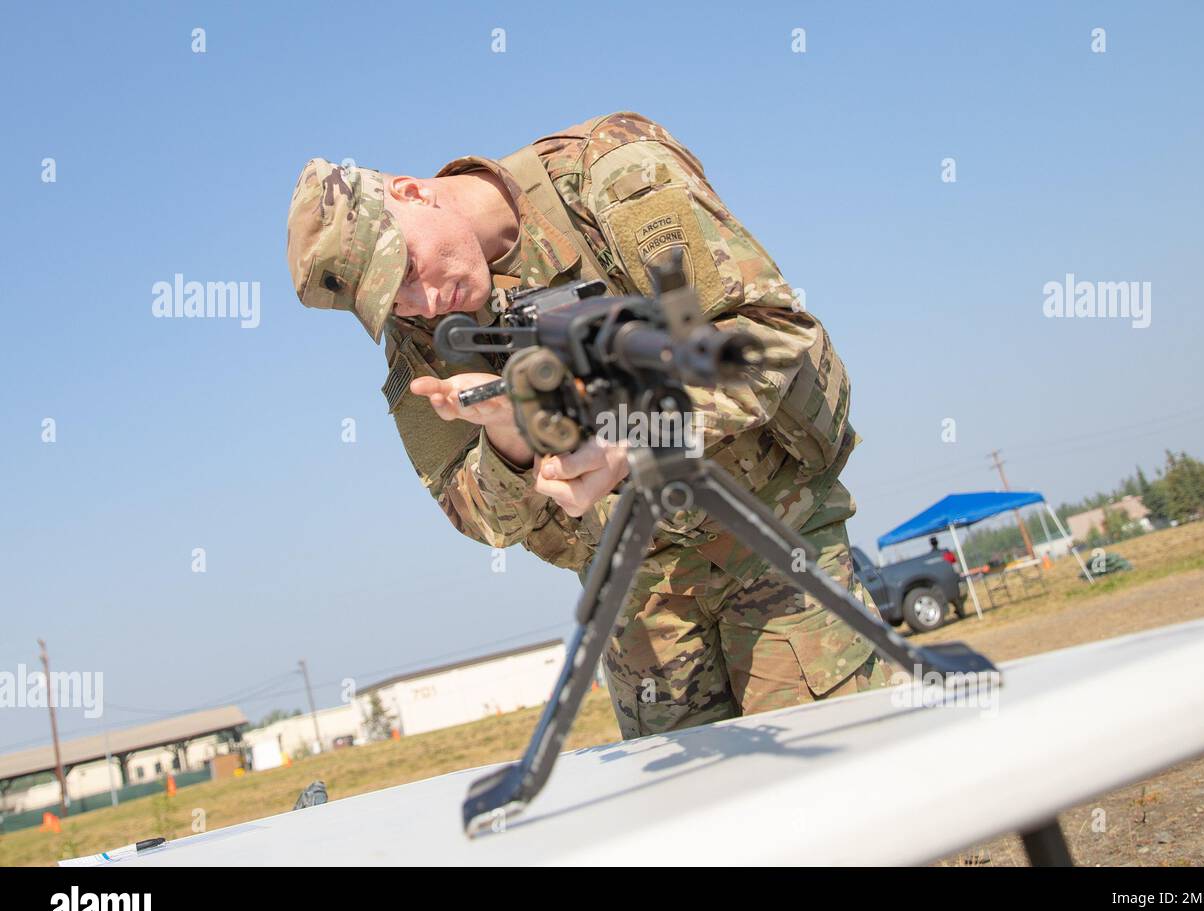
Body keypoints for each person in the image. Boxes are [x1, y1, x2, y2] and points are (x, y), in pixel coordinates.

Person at [285, 112, 890, 740]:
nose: (427, 304)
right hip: (638, 605)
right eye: (397, 302)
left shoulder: (608, 176)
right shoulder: (421, 340)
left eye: (409, 270)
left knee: (844, 795)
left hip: (770, 529)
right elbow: (475, 515)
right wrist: (507, 436)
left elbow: (764, 337)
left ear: (412, 190)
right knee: (695, 824)